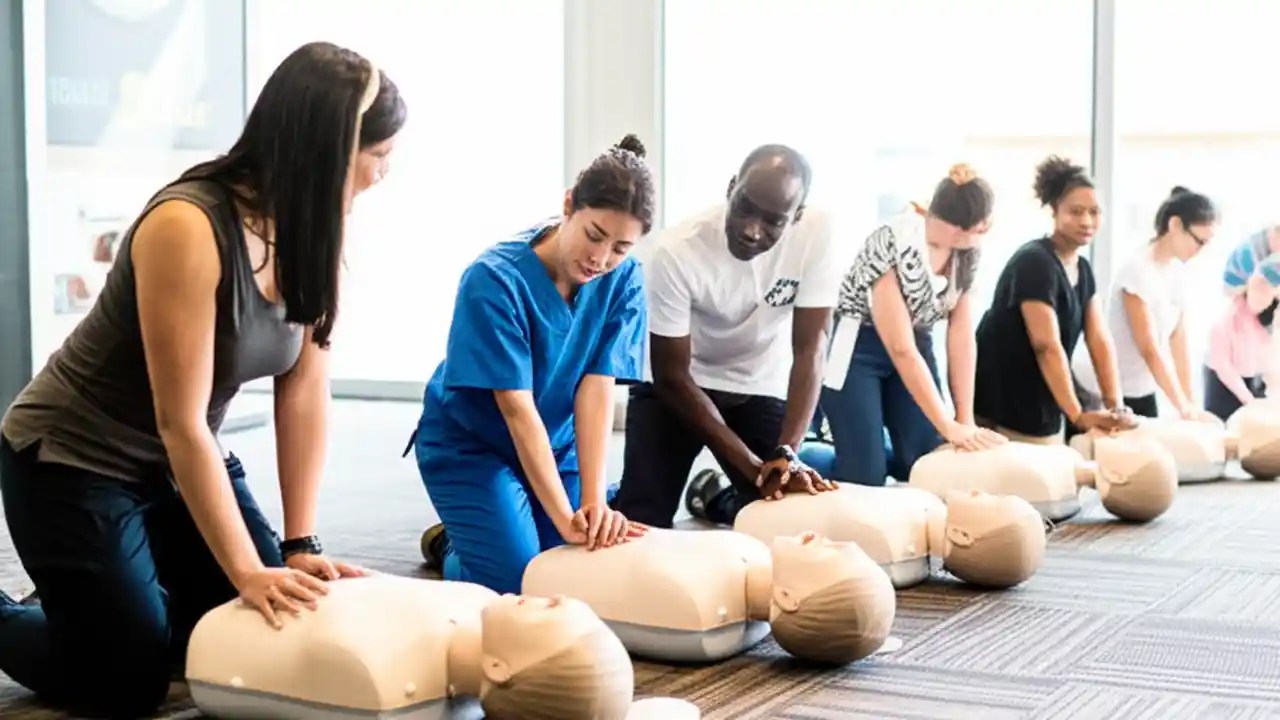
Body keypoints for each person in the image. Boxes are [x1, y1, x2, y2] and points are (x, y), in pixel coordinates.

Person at [0, 42, 406, 718]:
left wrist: (298, 544)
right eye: (379, 157)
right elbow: (179, 420)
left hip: (177, 466)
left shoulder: (315, 228)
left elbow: (303, 386)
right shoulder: (186, 226)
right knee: (127, 679)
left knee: (243, 633)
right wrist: (246, 569)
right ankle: (77, 598)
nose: (383, 175)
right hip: (72, 462)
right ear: (330, 148)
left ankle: (97, 588)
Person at [413, 135, 655, 595]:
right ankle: (454, 546)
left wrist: (591, 502)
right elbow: (516, 409)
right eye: (594, 235)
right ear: (568, 205)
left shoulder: (625, 279)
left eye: (621, 247)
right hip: (473, 445)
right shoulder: (493, 278)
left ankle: (490, 533)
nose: (600, 259)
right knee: (522, 584)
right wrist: (564, 517)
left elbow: (597, 387)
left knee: (574, 570)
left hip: (557, 446)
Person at [611, 144, 840, 529]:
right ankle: (620, 495)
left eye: (772, 222)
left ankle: (716, 499)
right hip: (677, 388)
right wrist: (751, 467)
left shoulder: (817, 234)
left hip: (755, 382)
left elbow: (811, 348)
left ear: (796, 217)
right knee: (641, 521)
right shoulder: (676, 251)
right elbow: (672, 375)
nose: (752, 229)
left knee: (783, 510)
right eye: (745, 207)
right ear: (731, 187)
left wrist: (787, 454)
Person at [815, 164, 1006, 487]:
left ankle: (880, 448)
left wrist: (964, 419)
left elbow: (961, 338)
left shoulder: (968, 252)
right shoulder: (893, 239)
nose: (975, 236)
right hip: (857, 346)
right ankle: (795, 459)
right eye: (972, 229)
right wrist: (947, 425)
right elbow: (900, 348)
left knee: (924, 462)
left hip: (917, 342)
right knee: (864, 476)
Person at [972, 156, 1135, 444]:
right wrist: (1077, 415)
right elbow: (1045, 345)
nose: (1086, 221)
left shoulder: (1082, 269)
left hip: (1043, 393)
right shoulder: (1034, 262)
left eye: (1095, 212)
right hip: (1005, 395)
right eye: (1076, 211)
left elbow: (1099, 339)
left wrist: (1117, 407)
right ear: (1054, 211)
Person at [1072, 188, 1218, 419]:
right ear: (1175, 225)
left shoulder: (1176, 272)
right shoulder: (1137, 271)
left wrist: (1190, 403)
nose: (1200, 250)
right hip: (1099, 387)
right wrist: (1182, 406)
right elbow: (1149, 349)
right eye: (1199, 241)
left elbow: (1177, 340)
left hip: (1140, 387)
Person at [1204, 256, 1280, 420]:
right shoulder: (1226, 321)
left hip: (1255, 380)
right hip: (1223, 384)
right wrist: (1250, 401)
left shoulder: (1271, 314)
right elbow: (1223, 367)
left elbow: (1272, 362)